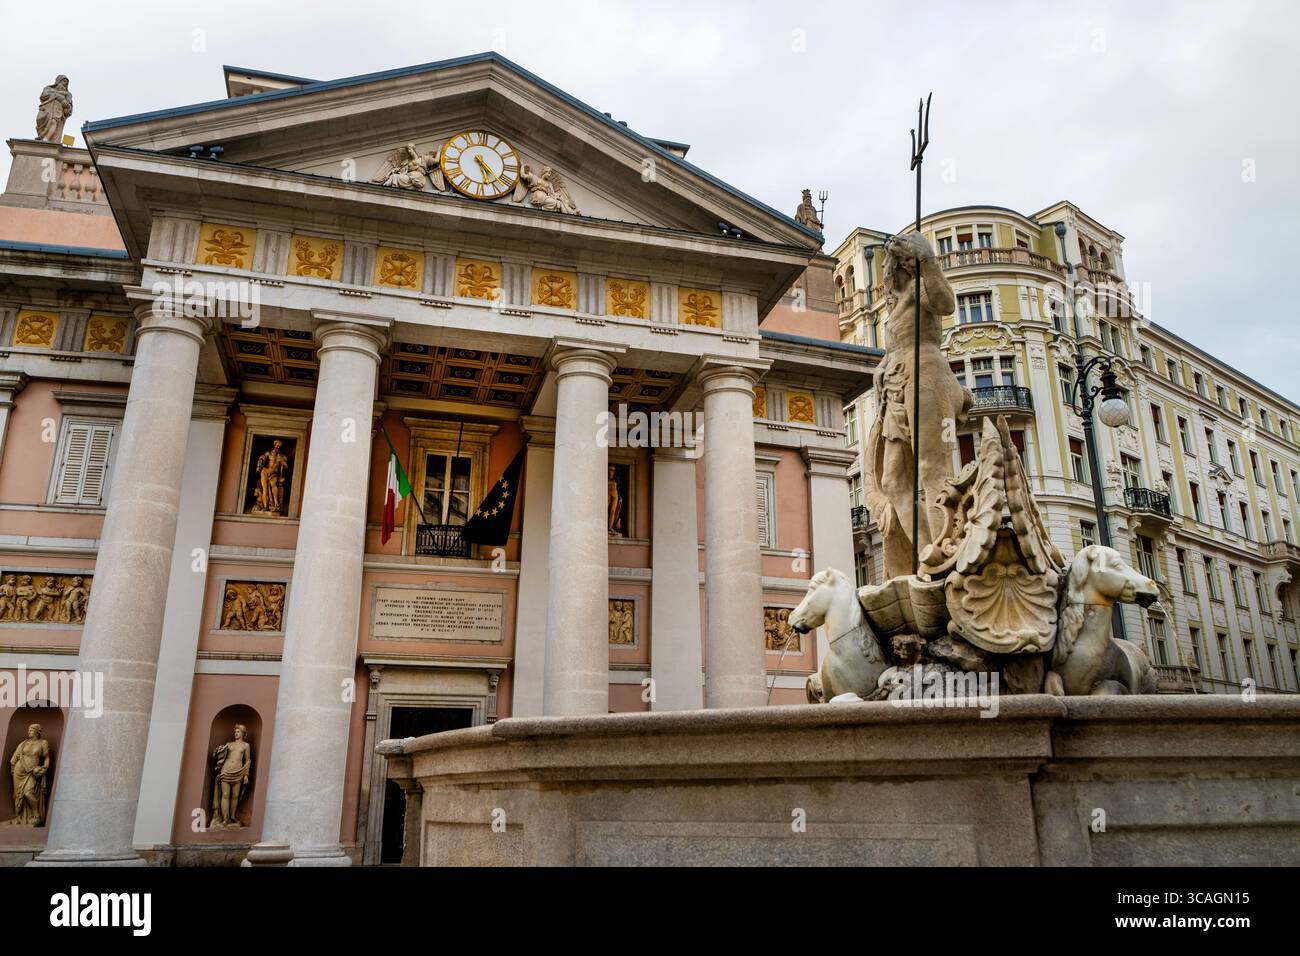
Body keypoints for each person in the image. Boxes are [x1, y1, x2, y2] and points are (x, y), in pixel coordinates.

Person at [863, 231, 970, 579]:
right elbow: (895, 345)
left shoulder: (924, 288)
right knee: (893, 479)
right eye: (888, 265)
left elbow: (946, 304)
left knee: (931, 467)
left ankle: (947, 547)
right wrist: (883, 367)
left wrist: (928, 259)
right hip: (898, 380)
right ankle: (927, 550)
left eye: (895, 263)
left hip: (927, 373)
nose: (889, 271)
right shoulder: (895, 304)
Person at [210, 724, 252, 828]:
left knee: (235, 795)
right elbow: (219, 756)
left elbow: (247, 761)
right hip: (226, 770)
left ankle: (232, 817)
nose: (236, 733)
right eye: (235, 732)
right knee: (225, 794)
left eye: (238, 732)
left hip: (238, 772)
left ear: (243, 733)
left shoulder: (246, 746)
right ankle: (225, 818)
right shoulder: (229, 744)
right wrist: (219, 751)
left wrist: (246, 775)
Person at [8, 724, 51, 826]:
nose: (29, 732)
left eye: (31, 730)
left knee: (28, 793)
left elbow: (46, 758)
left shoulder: (42, 743)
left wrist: (44, 768)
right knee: (18, 796)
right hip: (19, 773)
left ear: (37, 731)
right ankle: (19, 817)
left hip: (32, 772)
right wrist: (13, 770)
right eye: (28, 730)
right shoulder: (23, 744)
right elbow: (13, 760)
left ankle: (36, 815)